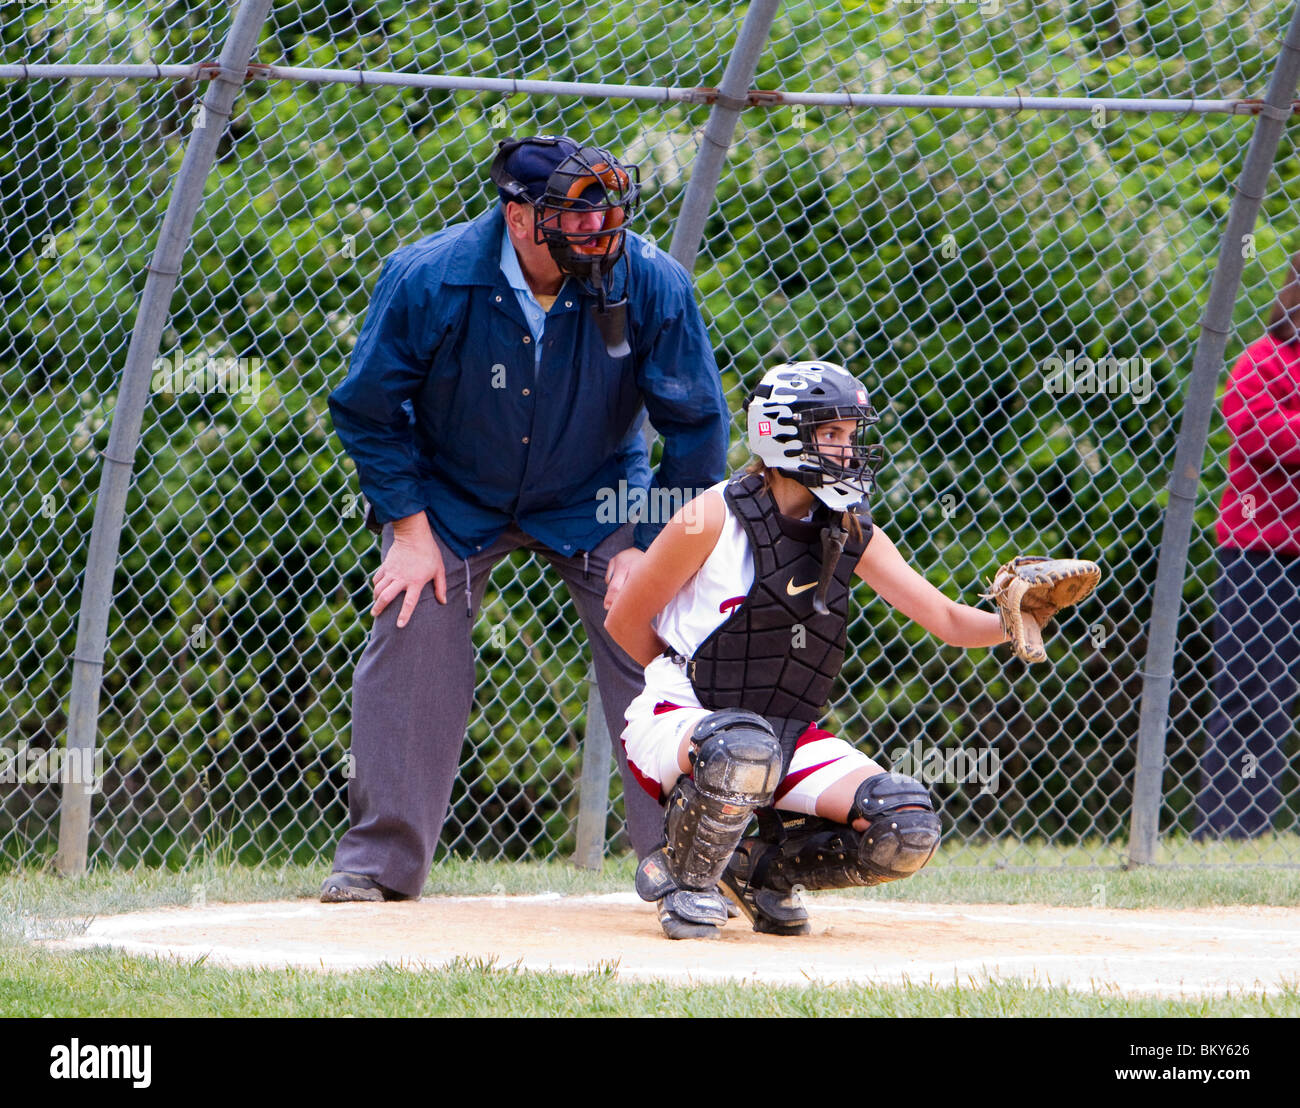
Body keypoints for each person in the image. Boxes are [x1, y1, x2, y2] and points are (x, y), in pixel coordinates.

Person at [321, 136, 730, 902]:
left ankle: (685, 864)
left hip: (601, 491)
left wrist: (650, 547)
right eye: (576, 219)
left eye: (607, 216)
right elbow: (368, 411)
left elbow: (699, 430)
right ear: (518, 218)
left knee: (658, 633)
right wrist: (409, 532)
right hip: (452, 495)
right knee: (411, 620)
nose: (599, 234)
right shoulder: (428, 277)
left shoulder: (650, 281)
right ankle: (379, 866)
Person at [605, 360, 1013, 939]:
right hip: (678, 719)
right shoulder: (709, 516)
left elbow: (947, 619)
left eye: (851, 435)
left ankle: (756, 870)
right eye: (831, 434)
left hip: (786, 733)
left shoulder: (848, 528)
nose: (848, 450)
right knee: (741, 748)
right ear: (778, 433)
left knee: (904, 824)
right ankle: (688, 879)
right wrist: (683, 692)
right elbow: (624, 620)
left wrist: (1016, 620)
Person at [1198, 250, 1300, 839]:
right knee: (1250, 692)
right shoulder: (1265, 357)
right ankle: (1232, 830)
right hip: (1262, 553)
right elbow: (1254, 425)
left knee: (1280, 699)